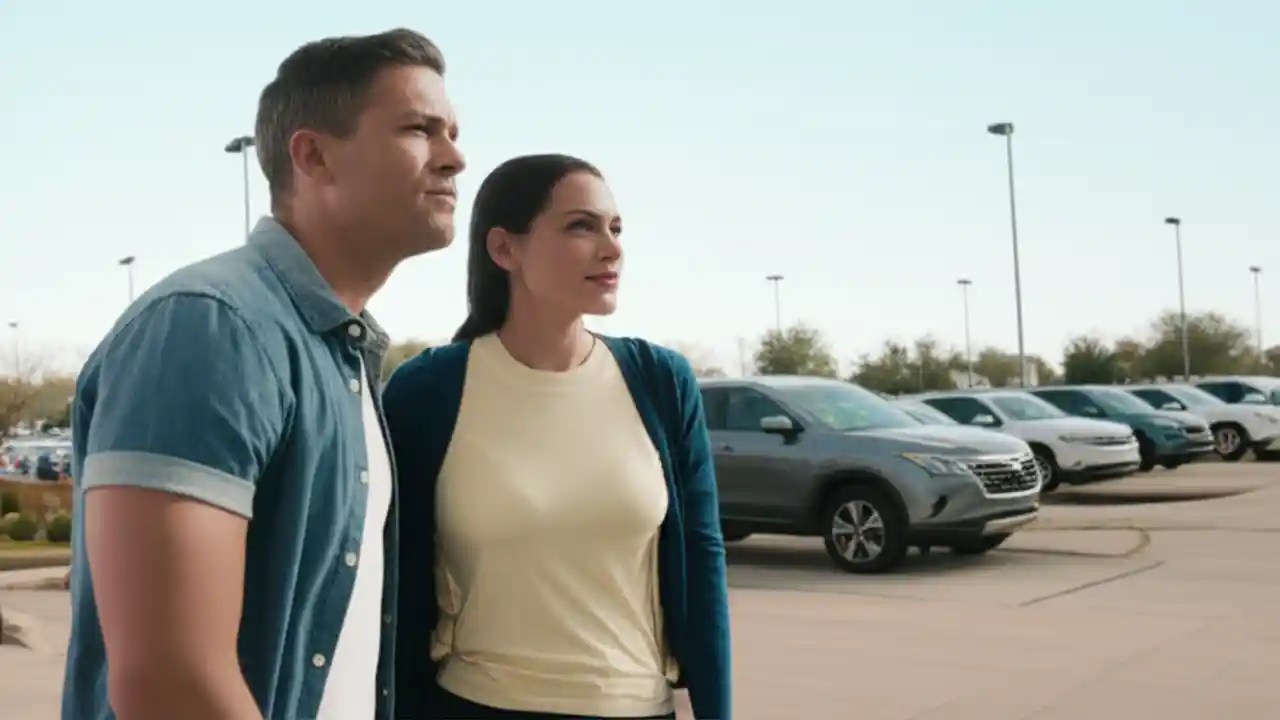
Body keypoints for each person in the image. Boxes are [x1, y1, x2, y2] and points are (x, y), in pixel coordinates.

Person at [61, 28, 465, 720]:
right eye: (419, 129)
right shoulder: (210, 329)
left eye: (453, 132)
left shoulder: (341, 354)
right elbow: (170, 684)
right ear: (313, 155)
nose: (455, 159)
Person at [383, 154, 732, 720]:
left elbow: (702, 558)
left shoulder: (661, 381)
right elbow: (396, 579)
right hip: (476, 703)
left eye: (616, 228)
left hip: (637, 706)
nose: (612, 247)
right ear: (505, 250)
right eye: (581, 226)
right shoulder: (429, 390)